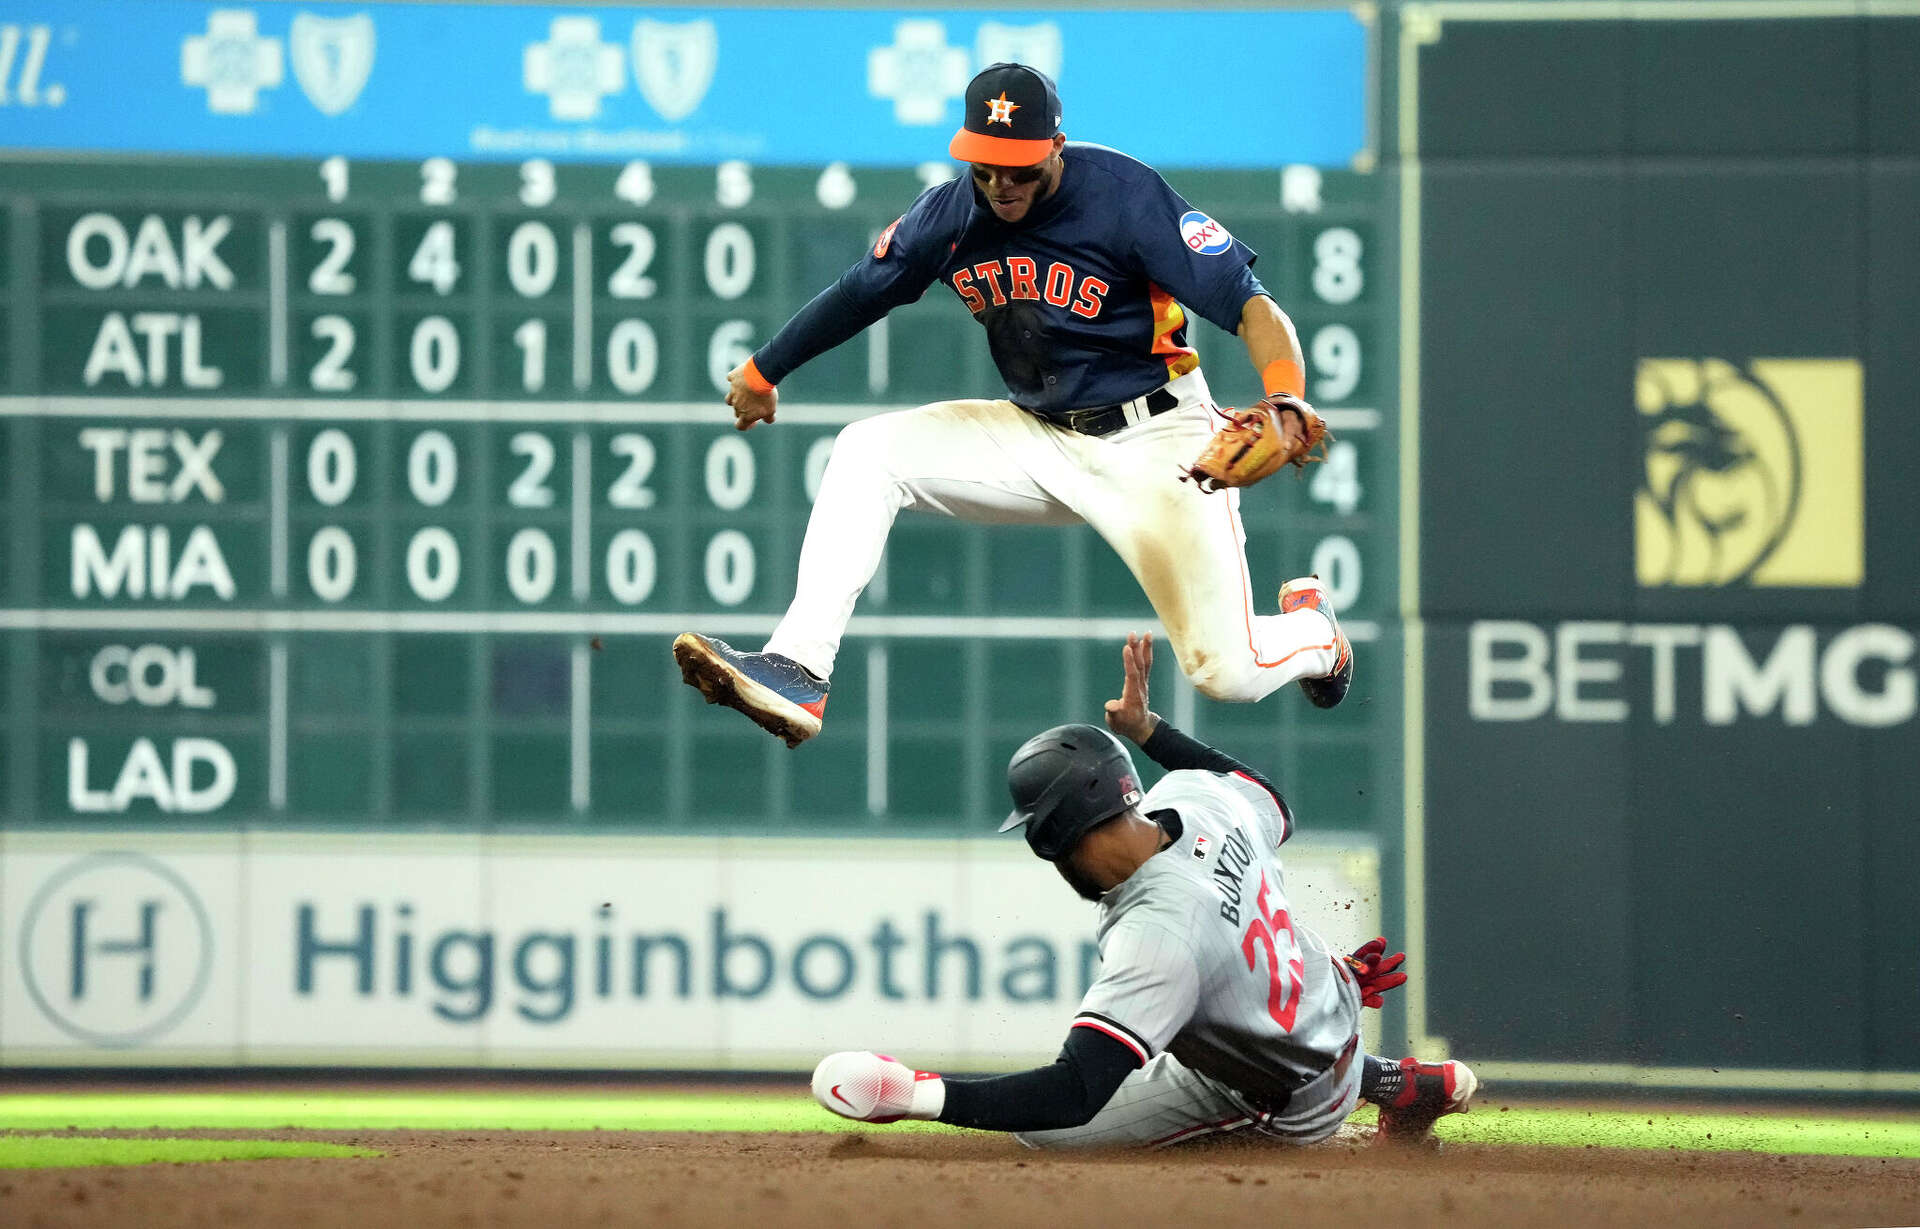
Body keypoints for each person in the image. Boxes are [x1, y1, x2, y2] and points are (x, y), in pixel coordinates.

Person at [673, 62, 1350, 747]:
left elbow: (1248, 302)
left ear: (1057, 146)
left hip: (1158, 442)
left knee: (1224, 673)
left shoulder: (1121, 195)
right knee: (866, 451)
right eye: (986, 166)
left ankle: (1317, 631)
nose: (1001, 184)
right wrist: (764, 370)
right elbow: (859, 293)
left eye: (1019, 167)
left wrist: (1285, 391)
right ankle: (799, 668)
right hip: (1039, 435)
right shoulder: (950, 215)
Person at [809, 631, 1477, 1149]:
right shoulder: (1192, 795)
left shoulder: (1157, 932)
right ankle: (1402, 1082)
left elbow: (1075, 1090)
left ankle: (1371, 1086)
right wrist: (1151, 730)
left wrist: (919, 1094)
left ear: (1066, 831)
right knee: (1208, 1006)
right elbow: (1268, 797)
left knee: (1047, 1135)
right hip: (1322, 995)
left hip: (1288, 1094)